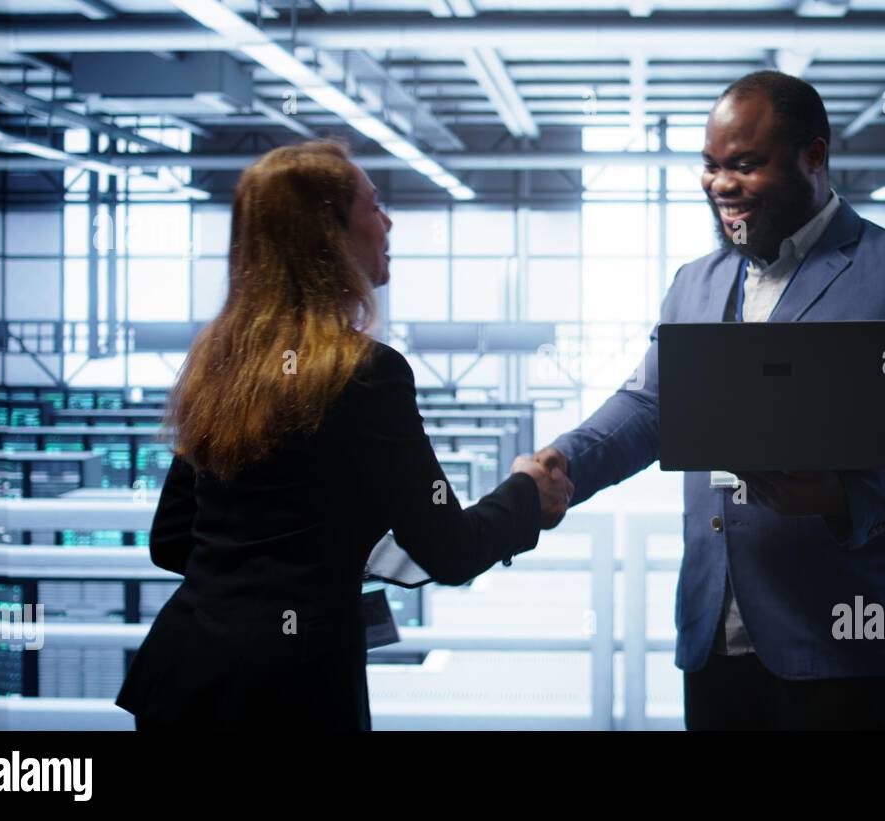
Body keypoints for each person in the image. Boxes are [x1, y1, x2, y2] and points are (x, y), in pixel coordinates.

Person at [530, 71, 885, 730]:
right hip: (715, 636)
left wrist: (844, 488)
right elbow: (650, 408)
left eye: (745, 165)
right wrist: (562, 464)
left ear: (814, 155)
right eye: (712, 166)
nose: (721, 183)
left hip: (845, 643)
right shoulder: (696, 282)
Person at [115, 140, 573, 731]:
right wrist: (525, 493)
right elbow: (450, 550)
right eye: (373, 207)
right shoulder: (367, 373)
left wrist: (303, 560)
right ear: (328, 238)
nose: (388, 223)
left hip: (180, 679)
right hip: (290, 693)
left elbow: (173, 538)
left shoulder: (222, 364)